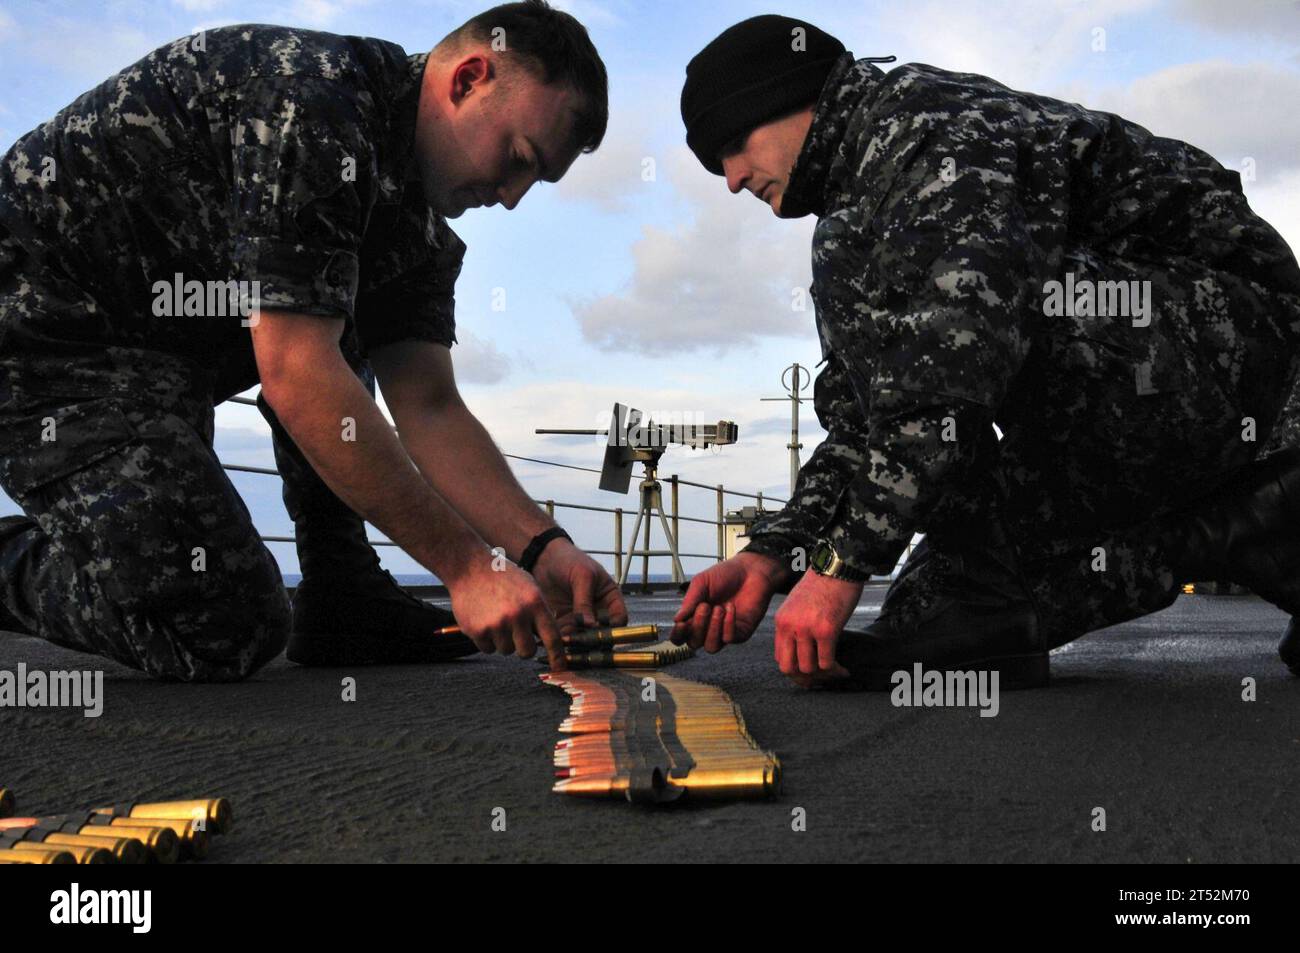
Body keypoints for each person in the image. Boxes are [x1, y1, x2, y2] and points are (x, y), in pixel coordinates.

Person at [0, 1, 627, 681]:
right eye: (518, 158)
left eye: (537, 180)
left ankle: (343, 593)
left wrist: (543, 550)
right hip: (44, 343)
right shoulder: (314, 101)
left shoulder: (419, 231)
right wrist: (469, 568)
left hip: (162, 361)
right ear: (469, 78)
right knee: (222, 624)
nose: (512, 196)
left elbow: (431, 407)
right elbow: (296, 374)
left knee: (329, 299)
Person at [671, 14, 1300, 689]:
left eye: (735, 146)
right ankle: (1256, 528)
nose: (733, 179)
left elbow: (950, 362)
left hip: (1245, 345)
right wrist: (775, 553)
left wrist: (842, 566)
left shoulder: (925, 132)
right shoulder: (849, 223)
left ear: (794, 97)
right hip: (1166, 374)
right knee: (961, 604)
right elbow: (869, 418)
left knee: (981, 340)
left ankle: (1257, 498)